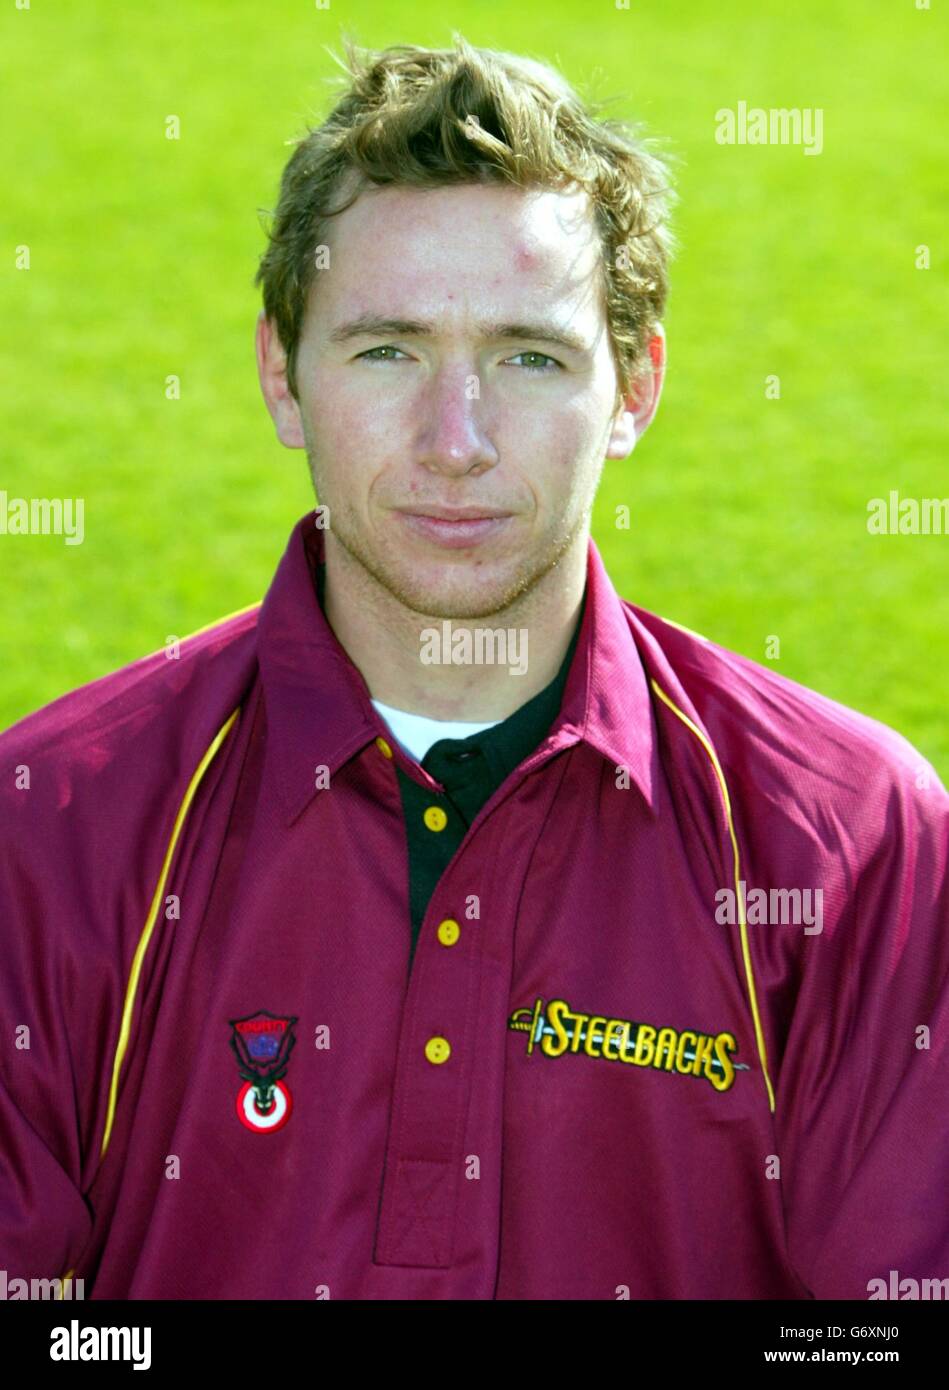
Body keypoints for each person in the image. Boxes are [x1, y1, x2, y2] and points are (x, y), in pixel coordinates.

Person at [1, 36, 946, 1302]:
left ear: (635, 386)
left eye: (528, 357)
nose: (457, 442)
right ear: (282, 375)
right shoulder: (52, 824)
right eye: (387, 350)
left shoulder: (851, 839)